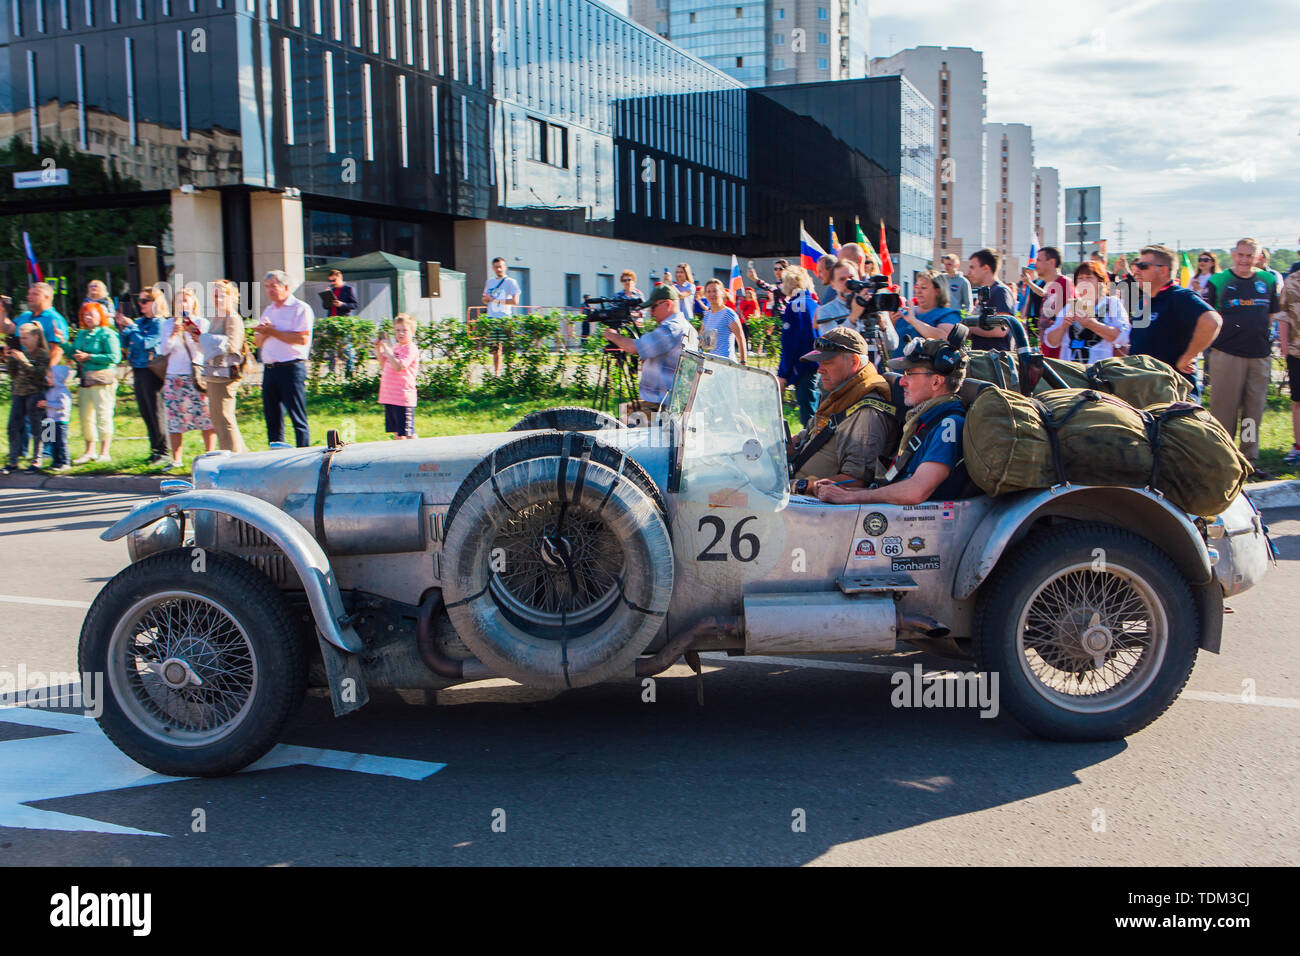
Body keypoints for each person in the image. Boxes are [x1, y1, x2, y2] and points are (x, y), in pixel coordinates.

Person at [815, 333, 971, 506]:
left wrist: (850, 497)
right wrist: (845, 490)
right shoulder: (925, 419)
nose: (902, 382)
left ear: (936, 382)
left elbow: (916, 491)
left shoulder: (949, 424)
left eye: (909, 374)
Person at [787, 327, 900, 494]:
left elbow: (854, 482)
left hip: (814, 509)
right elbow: (812, 435)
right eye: (819, 363)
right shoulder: (842, 396)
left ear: (854, 362)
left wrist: (799, 486)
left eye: (827, 362)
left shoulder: (866, 413)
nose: (819, 369)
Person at [1203, 238, 1282, 473]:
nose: (1245, 260)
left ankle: (1247, 459)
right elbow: (1210, 316)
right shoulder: (1219, 281)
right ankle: (1223, 461)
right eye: (1241, 255)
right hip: (1227, 354)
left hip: (1259, 356)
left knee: (1252, 412)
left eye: (1250, 256)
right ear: (1233, 255)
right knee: (1224, 412)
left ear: (1258, 257)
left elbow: (1271, 315)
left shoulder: (1267, 280)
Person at [1128, 244, 1222, 397]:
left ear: (1164, 270)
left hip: (1174, 393)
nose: (1136, 271)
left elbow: (1212, 322)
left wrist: (1188, 357)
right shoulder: (1144, 301)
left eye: (1143, 266)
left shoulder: (1180, 297)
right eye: (1136, 266)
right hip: (1144, 391)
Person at [602, 284, 697, 409]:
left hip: (661, 405)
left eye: (653, 307)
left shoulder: (671, 327)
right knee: (625, 413)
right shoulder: (687, 327)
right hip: (674, 402)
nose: (651, 313)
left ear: (668, 303)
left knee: (621, 420)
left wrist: (612, 335)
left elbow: (634, 347)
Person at [255, 269, 314, 447]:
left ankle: (304, 454)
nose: (270, 291)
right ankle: (276, 453)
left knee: (297, 416)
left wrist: (272, 331)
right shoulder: (269, 310)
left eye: (274, 286)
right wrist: (263, 333)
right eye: (267, 287)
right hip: (270, 369)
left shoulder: (300, 308)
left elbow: (302, 339)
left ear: (286, 287)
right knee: (272, 417)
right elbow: (258, 343)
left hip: (291, 368)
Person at [158, 289, 215, 470]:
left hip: (196, 375)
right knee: (175, 418)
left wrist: (195, 335)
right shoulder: (167, 324)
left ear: (193, 304)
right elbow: (164, 350)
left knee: (205, 416)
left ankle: (210, 455)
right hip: (174, 375)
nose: (182, 304)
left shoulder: (202, 322)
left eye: (186, 301)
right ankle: (176, 459)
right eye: (179, 301)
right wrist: (173, 333)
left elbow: (205, 350)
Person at [116, 286, 171, 466]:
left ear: (156, 303)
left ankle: (164, 451)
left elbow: (146, 343)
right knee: (145, 411)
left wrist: (131, 327)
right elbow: (124, 343)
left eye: (145, 301)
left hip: (152, 370)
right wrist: (122, 328)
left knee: (156, 411)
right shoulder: (139, 323)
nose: (140, 305)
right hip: (138, 369)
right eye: (139, 301)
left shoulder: (159, 323)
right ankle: (154, 448)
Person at [1044, 261, 1131, 364]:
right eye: (1080, 278)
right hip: (1072, 373)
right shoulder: (1071, 306)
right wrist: (1063, 326)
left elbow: (1124, 337)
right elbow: (1051, 342)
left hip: (1102, 372)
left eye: (1089, 277)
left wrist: (1091, 324)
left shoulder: (1112, 303)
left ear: (1100, 282)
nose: (1084, 282)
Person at [199, 279, 249, 453]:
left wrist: (205, 339)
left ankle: (235, 457)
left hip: (226, 376)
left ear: (230, 297)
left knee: (225, 418)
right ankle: (236, 455)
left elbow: (233, 345)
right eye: (213, 296)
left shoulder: (233, 318)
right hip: (214, 374)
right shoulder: (217, 318)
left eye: (220, 296)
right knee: (217, 419)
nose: (216, 299)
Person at [70, 300, 122, 464]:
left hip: (102, 380)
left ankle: (105, 452)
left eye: (91, 314)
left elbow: (115, 357)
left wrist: (90, 357)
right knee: (86, 417)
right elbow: (73, 352)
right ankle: (89, 451)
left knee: (103, 415)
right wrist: (62, 343)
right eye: (85, 314)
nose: (87, 317)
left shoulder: (107, 333)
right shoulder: (81, 334)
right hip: (85, 379)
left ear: (100, 316)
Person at [3, 323, 51, 475]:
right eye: (21, 338)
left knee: (38, 427)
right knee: (13, 426)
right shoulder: (20, 353)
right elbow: (12, 374)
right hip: (18, 393)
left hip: (35, 393)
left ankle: (37, 459)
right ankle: (13, 460)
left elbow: (37, 374)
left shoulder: (42, 354)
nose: (22, 341)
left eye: (26, 338)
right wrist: (9, 358)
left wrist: (23, 359)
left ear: (36, 337)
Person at [775, 266, 821, 427]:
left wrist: (783, 373)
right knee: (816, 410)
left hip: (803, 366)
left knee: (808, 417)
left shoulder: (794, 305)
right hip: (817, 364)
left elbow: (790, 343)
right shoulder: (814, 303)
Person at [892, 271, 962, 357]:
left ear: (937, 291)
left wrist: (914, 321)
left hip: (926, 369)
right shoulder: (906, 313)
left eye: (923, 288)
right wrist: (890, 323)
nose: (918, 291)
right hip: (897, 368)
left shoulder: (948, 314)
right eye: (917, 287)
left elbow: (945, 339)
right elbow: (889, 344)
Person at [1021, 247, 1073, 358]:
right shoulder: (1049, 284)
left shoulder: (1065, 282)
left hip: (1059, 350)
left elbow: (1071, 312)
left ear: (1052, 262)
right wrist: (1029, 283)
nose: (1035, 265)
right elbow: (1044, 294)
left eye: (1039, 260)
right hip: (1047, 347)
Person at [2, 282, 68, 367]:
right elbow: (5, 328)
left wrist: (49, 372)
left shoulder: (54, 319)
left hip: (40, 370)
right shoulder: (25, 315)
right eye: (29, 294)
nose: (29, 297)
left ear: (46, 297)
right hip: (21, 371)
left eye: (35, 294)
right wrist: (2, 311)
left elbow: (57, 350)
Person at [376, 313, 420, 440]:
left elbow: (398, 366)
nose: (400, 333)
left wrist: (387, 349)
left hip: (403, 397)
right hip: (390, 396)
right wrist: (379, 348)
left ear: (412, 332)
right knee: (396, 432)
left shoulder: (410, 348)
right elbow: (384, 364)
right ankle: (400, 456)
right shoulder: (395, 347)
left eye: (404, 330)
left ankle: (417, 454)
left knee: (407, 432)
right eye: (397, 330)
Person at [965, 249, 1015, 349]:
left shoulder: (1000, 291)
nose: (968, 272)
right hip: (983, 358)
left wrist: (968, 328)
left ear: (986, 268)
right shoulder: (984, 292)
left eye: (972, 267)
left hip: (996, 361)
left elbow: (1001, 330)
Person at [481, 257, 520, 376]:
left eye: (501, 266)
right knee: (495, 348)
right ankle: (497, 373)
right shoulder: (489, 282)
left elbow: (515, 301)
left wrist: (495, 300)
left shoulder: (511, 282)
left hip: (505, 318)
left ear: (505, 267)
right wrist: (487, 299)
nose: (499, 269)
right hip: (491, 318)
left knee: (509, 347)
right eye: (496, 266)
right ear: (493, 268)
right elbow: (484, 299)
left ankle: (510, 372)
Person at [1279, 261, 1300, 465]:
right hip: (1297, 352)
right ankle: (1299, 447)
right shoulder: (1292, 281)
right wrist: (1285, 349)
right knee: (1298, 402)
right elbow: (1283, 316)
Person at [699, 278, 747, 364]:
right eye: (709, 291)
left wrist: (743, 362)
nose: (712, 294)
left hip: (727, 364)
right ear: (705, 294)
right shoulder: (707, 315)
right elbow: (701, 340)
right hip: (712, 363)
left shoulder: (729, 314)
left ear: (722, 293)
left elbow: (740, 339)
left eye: (715, 291)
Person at [35, 365, 73, 472]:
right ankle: (56, 462)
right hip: (51, 421)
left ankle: (65, 462)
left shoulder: (63, 391)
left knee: (61, 442)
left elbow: (62, 406)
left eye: (51, 377)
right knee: (52, 441)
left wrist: (47, 404)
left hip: (61, 421)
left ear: (58, 378)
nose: (47, 379)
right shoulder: (50, 391)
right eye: (47, 377)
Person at [814, 259, 857, 332]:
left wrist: (883, 326)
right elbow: (834, 340)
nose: (848, 283)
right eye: (842, 279)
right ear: (832, 285)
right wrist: (853, 318)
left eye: (851, 277)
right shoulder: (826, 311)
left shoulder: (871, 304)